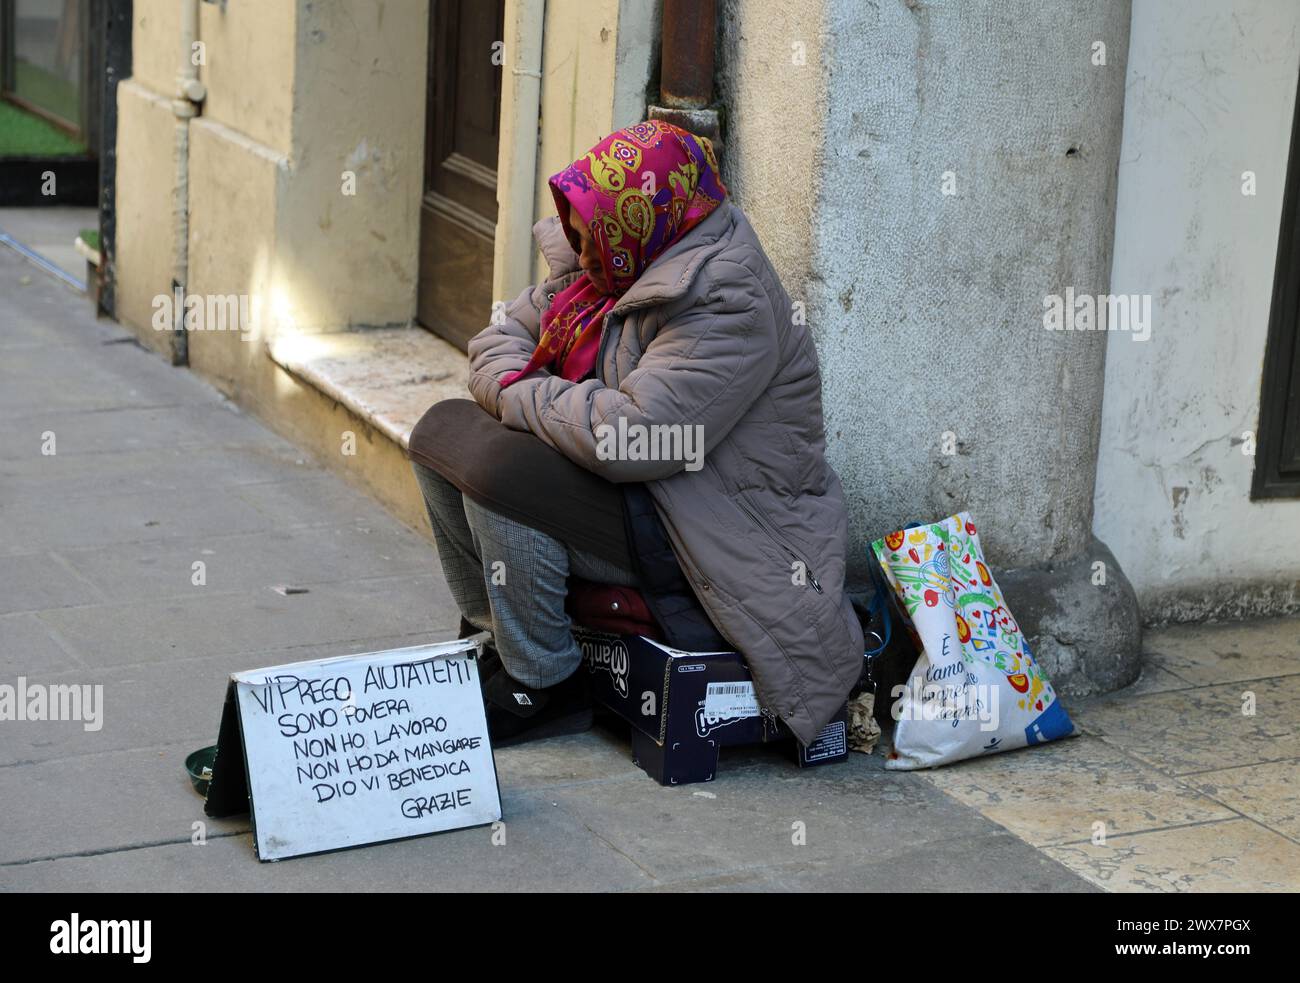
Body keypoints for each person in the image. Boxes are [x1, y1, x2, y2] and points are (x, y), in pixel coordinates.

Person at [409, 119, 864, 748]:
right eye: (578, 232)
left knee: (504, 474)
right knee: (440, 432)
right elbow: (496, 340)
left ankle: (546, 682)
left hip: (702, 532)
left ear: (638, 224)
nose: (584, 255)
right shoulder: (617, 260)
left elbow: (634, 440)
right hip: (640, 498)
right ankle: (504, 641)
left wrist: (519, 392)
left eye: (594, 237)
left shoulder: (726, 298)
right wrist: (528, 393)